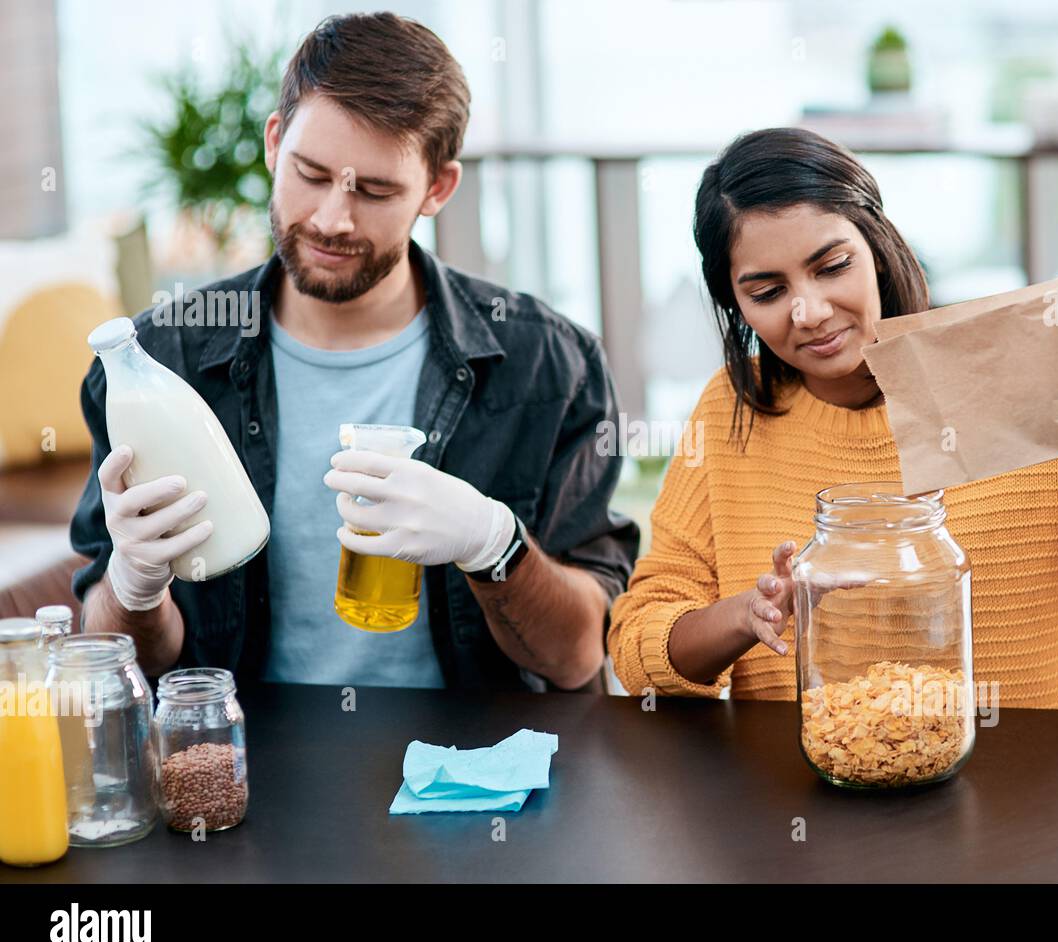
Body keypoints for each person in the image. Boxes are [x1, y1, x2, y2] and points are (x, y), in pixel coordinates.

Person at [608, 126, 1058, 708]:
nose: (808, 311)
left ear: (876, 244)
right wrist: (744, 615)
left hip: (1038, 813)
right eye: (767, 290)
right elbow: (638, 644)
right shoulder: (733, 409)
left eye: (832, 266)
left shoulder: (1021, 367)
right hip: (806, 812)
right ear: (734, 304)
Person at [71, 12, 637, 692]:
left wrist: (496, 544)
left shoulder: (549, 364)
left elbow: (576, 658)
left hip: (480, 776)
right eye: (311, 174)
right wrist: (133, 588)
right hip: (240, 774)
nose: (333, 219)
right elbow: (127, 664)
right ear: (275, 142)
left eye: (375, 191)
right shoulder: (163, 363)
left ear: (438, 188)